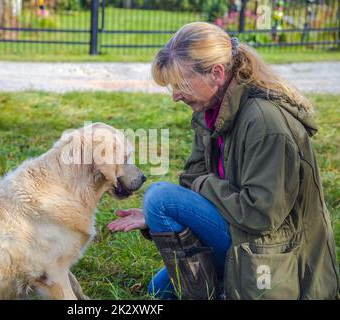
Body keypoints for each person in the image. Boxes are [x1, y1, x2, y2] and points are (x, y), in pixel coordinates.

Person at [107, 22, 339, 300]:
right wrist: (157, 220)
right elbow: (190, 180)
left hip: (274, 256)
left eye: (181, 84)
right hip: (239, 228)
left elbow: (260, 215)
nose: (175, 96)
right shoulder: (211, 112)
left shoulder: (266, 123)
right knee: (160, 291)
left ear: (217, 73)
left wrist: (201, 188)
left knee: (161, 198)